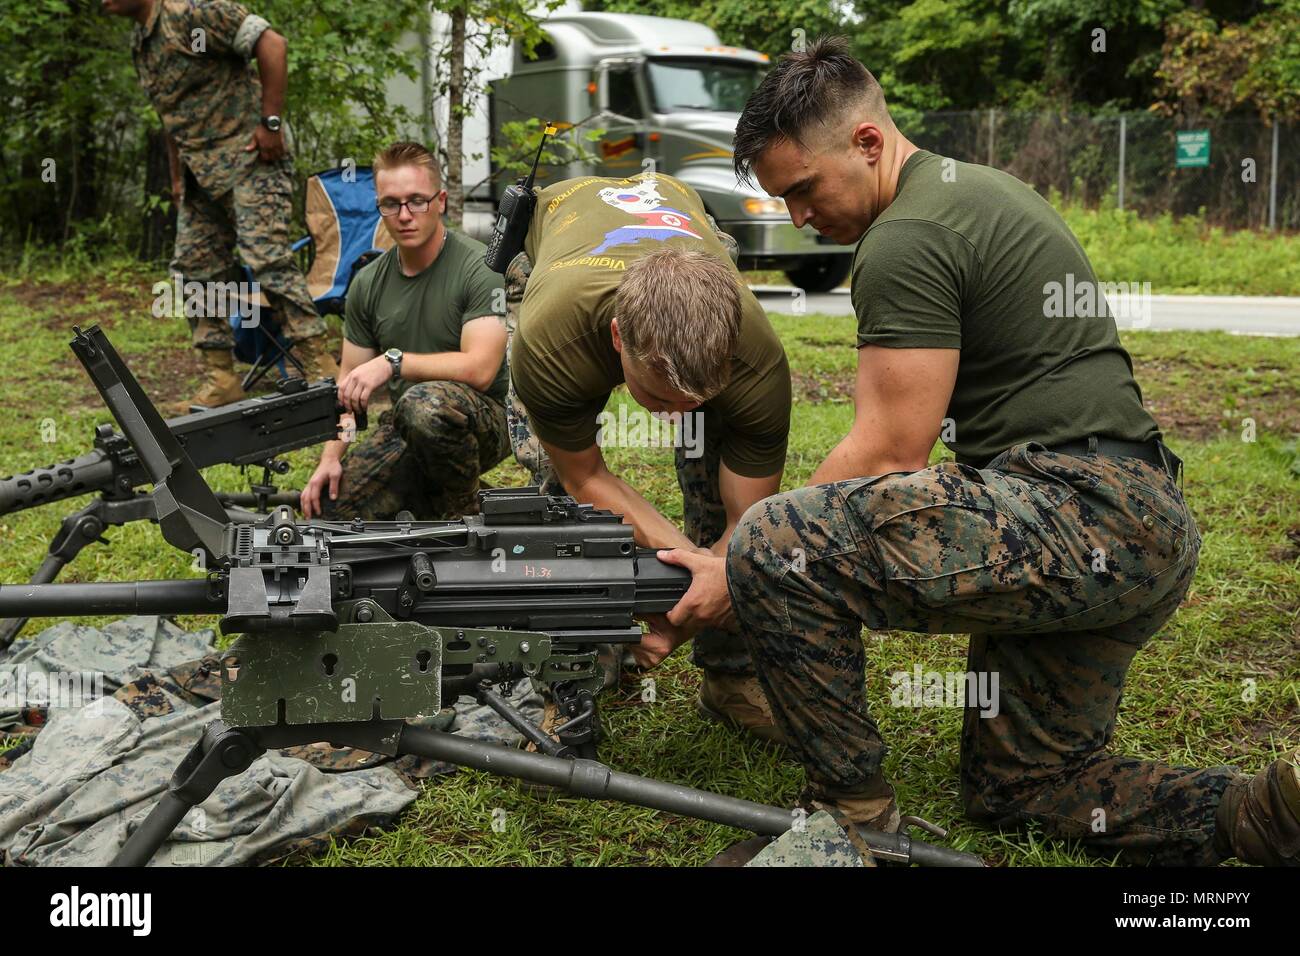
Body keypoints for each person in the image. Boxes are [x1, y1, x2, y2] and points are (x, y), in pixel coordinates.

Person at [648, 36, 1299, 865]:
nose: (798, 218)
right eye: (783, 200)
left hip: (1080, 512)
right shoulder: (977, 192)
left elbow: (886, 451)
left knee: (779, 542)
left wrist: (730, 563)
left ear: (869, 142)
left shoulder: (905, 237)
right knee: (1021, 785)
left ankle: (851, 820)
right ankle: (1261, 815)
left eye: (804, 190)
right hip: (1143, 528)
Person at [505, 171, 792, 742]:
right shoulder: (551, 338)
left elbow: (747, 522)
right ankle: (571, 680)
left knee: (718, 466)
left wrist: (707, 589)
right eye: (660, 398)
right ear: (617, 340)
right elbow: (585, 473)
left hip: (683, 224)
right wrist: (696, 574)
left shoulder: (757, 362)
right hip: (558, 246)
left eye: (697, 400)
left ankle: (731, 677)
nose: (673, 417)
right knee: (558, 494)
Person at [105, 0, 337, 412]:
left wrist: (271, 122)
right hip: (201, 174)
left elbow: (273, 44)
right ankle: (222, 378)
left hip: (252, 158)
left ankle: (320, 364)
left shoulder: (194, 12)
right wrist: (178, 177)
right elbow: (171, 114)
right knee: (193, 269)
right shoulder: (141, 41)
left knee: (266, 257)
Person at [299, 142, 509, 521]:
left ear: (441, 201)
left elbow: (481, 369)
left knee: (422, 406)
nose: (405, 215)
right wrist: (330, 458)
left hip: (488, 420)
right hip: (409, 423)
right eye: (391, 204)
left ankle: (464, 514)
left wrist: (394, 362)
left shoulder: (480, 268)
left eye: (417, 201)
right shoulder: (366, 284)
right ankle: (441, 496)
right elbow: (347, 393)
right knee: (332, 512)